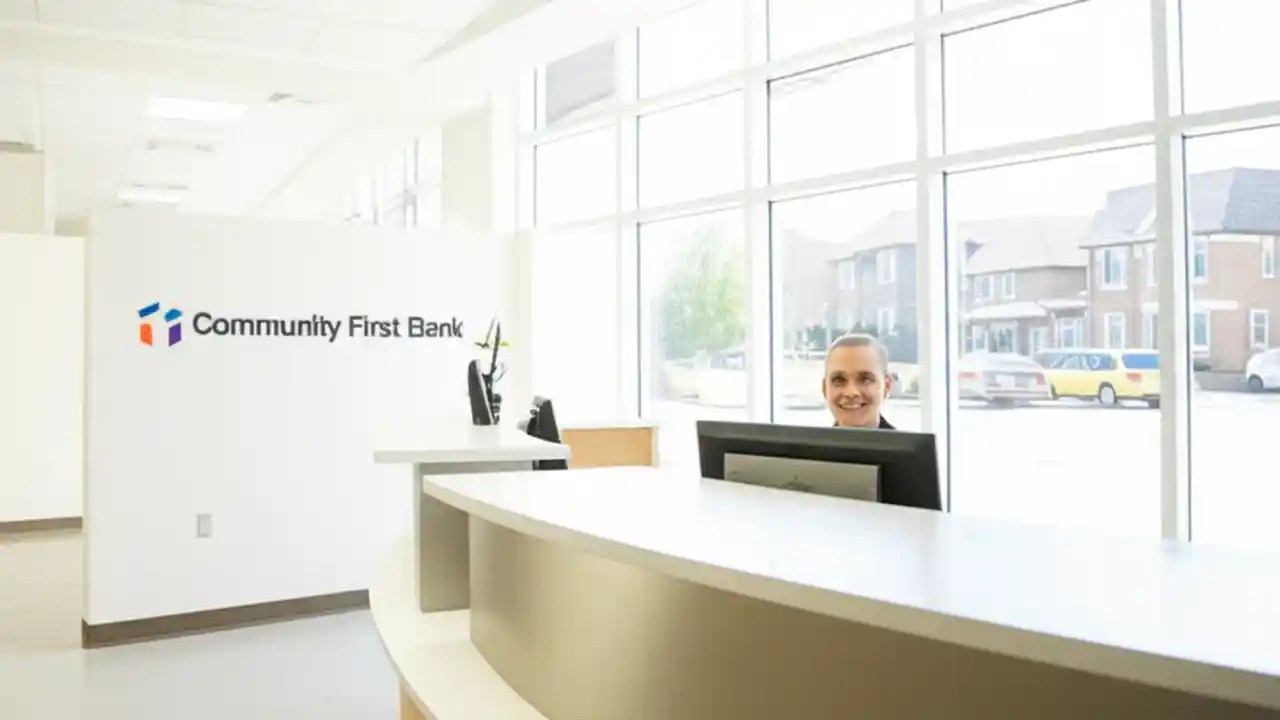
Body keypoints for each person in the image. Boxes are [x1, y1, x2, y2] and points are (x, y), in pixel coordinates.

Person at [822, 333, 895, 430]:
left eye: (865, 379)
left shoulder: (910, 445)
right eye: (839, 380)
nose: (851, 393)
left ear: (887, 386)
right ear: (824, 388)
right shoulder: (804, 445)